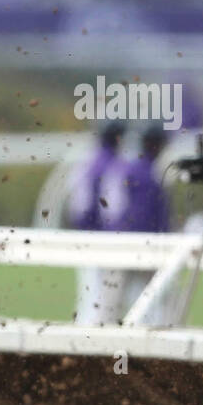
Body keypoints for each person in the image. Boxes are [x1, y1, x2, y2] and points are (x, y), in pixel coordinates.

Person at [99, 124, 173, 324]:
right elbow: (144, 216)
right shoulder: (146, 174)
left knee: (110, 303)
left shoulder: (127, 167)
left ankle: (100, 344)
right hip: (140, 243)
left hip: (118, 241)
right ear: (155, 145)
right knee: (163, 297)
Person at [71, 121, 125, 326]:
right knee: (100, 295)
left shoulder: (88, 163)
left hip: (86, 232)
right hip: (105, 235)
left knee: (90, 292)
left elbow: (79, 206)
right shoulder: (113, 165)